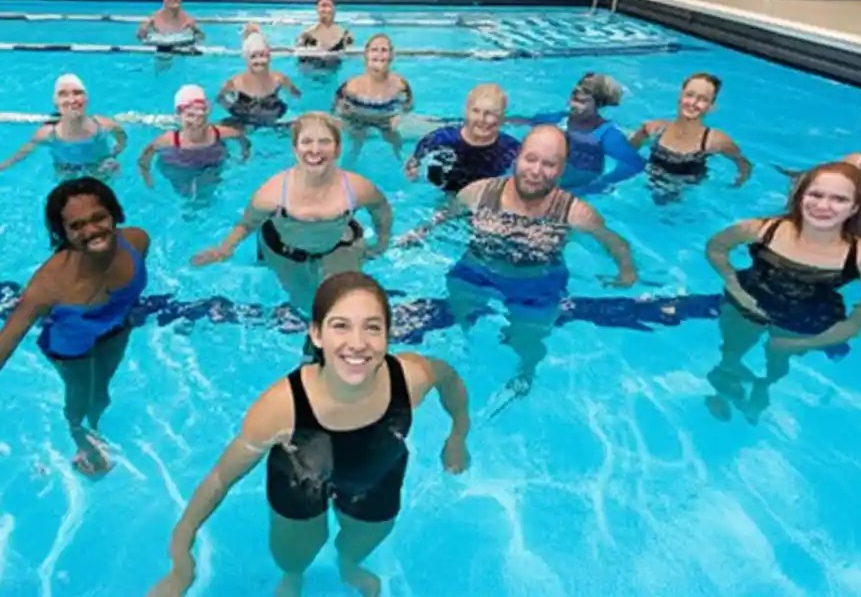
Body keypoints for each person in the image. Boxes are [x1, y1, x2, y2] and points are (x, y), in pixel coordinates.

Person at [148, 271, 470, 597]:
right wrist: (181, 558)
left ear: (388, 334)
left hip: (376, 475)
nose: (357, 343)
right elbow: (220, 477)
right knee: (295, 555)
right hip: (300, 478)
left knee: (364, 539)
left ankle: (349, 566)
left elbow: (449, 379)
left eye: (372, 327)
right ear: (316, 334)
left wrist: (458, 433)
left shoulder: (412, 377)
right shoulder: (281, 407)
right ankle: (293, 578)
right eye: (340, 326)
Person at [0, 178, 150, 479]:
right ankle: (79, 436)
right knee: (78, 401)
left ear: (114, 214)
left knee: (100, 395)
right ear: (62, 232)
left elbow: (126, 293)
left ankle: (94, 425)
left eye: (99, 218)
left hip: (116, 331)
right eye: (76, 226)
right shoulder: (48, 285)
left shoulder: (138, 241)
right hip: (70, 349)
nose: (91, 231)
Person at [401, 125, 637, 405]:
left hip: (536, 284)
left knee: (528, 343)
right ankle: (466, 351)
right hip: (474, 272)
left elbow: (615, 243)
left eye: (549, 164)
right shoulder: (478, 193)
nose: (536, 171)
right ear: (517, 158)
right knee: (462, 317)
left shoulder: (575, 212)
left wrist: (626, 271)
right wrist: (420, 232)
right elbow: (446, 215)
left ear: (562, 169)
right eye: (530, 159)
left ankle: (525, 374)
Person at [704, 161, 861, 424]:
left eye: (839, 199)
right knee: (730, 351)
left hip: (806, 315)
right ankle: (723, 388)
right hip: (748, 299)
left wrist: (806, 343)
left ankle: (764, 385)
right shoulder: (764, 229)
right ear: (800, 196)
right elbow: (716, 248)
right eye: (816, 194)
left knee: (777, 360)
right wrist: (734, 287)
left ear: (854, 208)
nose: (823, 206)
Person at [192, 112, 392, 315]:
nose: (315, 150)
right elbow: (246, 225)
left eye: (324, 142)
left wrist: (381, 243)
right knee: (305, 308)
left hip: (337, 247)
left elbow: (381, 209)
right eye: (306, 142)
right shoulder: (274, 192)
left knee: (343, 305)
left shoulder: (356, 188)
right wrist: (224, 249)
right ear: (295, 149)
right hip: (284, 252)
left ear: (338, 149)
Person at [0, 73, 126, 181]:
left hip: (100, 169)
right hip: (67, 172)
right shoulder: (47, 133)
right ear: (56, 103)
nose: (72, 100)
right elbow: (19, 156)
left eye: (77, 93)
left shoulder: (104, 124)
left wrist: (115, 153)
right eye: (63, 95)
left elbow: (122, 137)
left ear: (86, 99)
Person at [628, 72, 751, 197]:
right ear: (680, 97)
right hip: (648, 188)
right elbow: (627, 152)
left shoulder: (715, 141)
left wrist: (737, 185)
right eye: (689, 95)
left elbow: (743, 164)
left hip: (688, 197)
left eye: (703, 99)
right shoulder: (652, 129)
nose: (693, 102)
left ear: (711, 106)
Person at [525, 73, 644, 195]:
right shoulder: (562, 119)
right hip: (558, 175)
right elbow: (526, 121)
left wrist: (604, 182)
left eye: (582, 102)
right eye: (574, 99)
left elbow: (635, 164)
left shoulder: (606, 134)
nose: (573, 106)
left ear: (598, 105)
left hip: (581, 185)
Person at [138, 84, 251, 201]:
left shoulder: (221, 133)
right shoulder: (168, 140)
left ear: (207, 114)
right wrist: (146, 177)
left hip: (211, 164)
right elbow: (145, 157)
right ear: (180, 116)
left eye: (201, 117)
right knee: (185, 195)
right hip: (178, 166)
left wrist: (244, 157)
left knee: (207, 194)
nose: (196, 122)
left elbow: (242, 139)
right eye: (190, 116)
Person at [405, 83, 520, 194]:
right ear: (466, 112)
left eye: (490, 114)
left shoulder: (512, 150)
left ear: (502, 117)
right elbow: (412, 171)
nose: (481, 119)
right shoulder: (439, 140)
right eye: (476, 111)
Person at [333, 33, 413, 161]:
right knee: (354, 147)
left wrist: (400, 116)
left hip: (386, 119)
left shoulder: (400, 85)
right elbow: (338, 108)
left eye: (384, 50)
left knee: (396, 143)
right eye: (374, 50)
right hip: (357, 118)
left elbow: (408, 105)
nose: (379, 54)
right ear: (366, 55)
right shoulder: (351, 87)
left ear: (391, 56)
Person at [217, 31, 303, 128]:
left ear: (269, 58)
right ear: (246, 59)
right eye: (253, 57)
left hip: (274, 118)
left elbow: (297, 96)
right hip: (244, 119)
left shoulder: (279, 79)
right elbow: (220, 100)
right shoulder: (234, 83)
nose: (259, 61)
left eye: (262, 56)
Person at [296, 0, 354, 71]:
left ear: (334, 9)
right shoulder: (306, 35)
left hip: (334, 76)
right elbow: (300, 62)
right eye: (323, 6)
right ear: (317, 9)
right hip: (313, 76)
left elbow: (349, 59)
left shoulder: (346, 35)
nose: (326, 9)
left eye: (329, 6)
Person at [137, 0, 206, 48]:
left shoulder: (188, 21)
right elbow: (140, 37)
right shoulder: (152, 20)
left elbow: (201, 38)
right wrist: (143, 30)